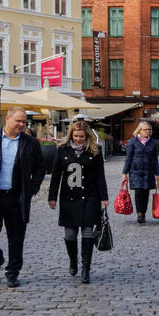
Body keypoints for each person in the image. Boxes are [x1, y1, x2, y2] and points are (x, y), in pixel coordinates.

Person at [0, 106, 47, 288]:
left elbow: (40, 167)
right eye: (18, 120)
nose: (21, 124)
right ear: (8, 119)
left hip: (16, 197)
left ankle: (12, 272)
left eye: (24, 121)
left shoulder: (31, 143)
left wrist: (32, 188)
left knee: (16, 237)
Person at [47, 120, 109, 283]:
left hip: (90, 197)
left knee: (88, 233)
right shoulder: (62, 150)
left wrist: (104, 197)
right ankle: (73, 260)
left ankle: (85, 268)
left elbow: (100, 176)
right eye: (76, 136)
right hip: (69, 198)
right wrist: (52, 197)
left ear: (87, 135)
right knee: (70, 235)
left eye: (81, 136)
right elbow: (56, 175)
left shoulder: (95, 151)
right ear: (71, 135)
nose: (79, 139)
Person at [121, 121, 159, 224]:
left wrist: (158, 173)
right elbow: (128, 158)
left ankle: (143, 212)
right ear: (140, 130)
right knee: (139, 191)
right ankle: (139, 213)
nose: (148, 131)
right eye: (145, 129)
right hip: (136, 171)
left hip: (149, 171)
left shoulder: (152, 142)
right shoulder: (132, 142)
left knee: (146, 192)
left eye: (149, 129)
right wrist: (124, 173)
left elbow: (155, 159)